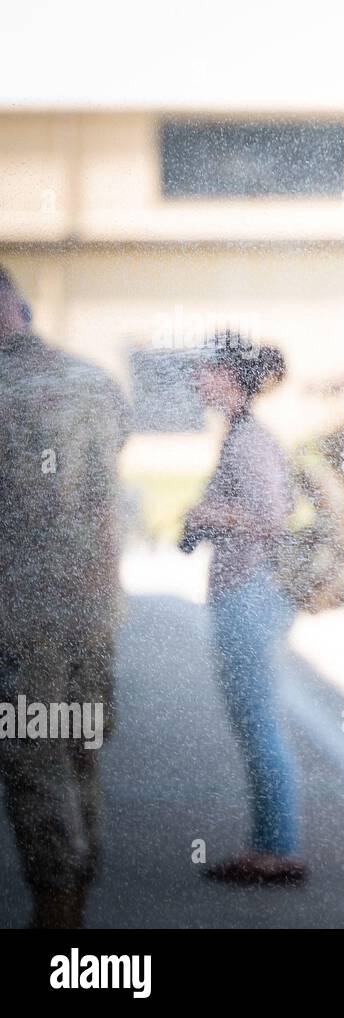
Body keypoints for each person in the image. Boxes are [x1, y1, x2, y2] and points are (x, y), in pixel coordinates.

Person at [0, 266, 129, 927]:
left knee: (33, 767)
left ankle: (55, 919)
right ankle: (73, 907)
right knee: (79, 760)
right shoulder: (92, 380)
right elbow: (107, 499)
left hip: (18, 620)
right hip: (91, 613)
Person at [182, 335, 306, 885]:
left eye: (206, 368)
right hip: (245, 592)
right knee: (253, 719)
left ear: (230, 375)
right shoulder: (237, 434)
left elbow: (275, 514)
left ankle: (278, 849)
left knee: (258, 722)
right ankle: (271, 844)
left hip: (251, 594)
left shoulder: (250, 439)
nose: (196, 376)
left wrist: (211, 513)